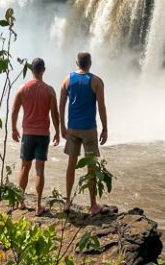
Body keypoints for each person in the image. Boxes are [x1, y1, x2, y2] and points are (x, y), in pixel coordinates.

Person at [59, 51, 113, 216]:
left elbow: (61, 106)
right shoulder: (96, 81)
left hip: (72, 128)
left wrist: (62, 126)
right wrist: (105, 128)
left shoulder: (67, 80)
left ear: (77, 62)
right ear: (90, 63)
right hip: (89, 129)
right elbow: (101, 107)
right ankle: (93, 205)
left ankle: (67, 201)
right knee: (91, 167)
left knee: (71, 164)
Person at [11, 57, 60, 216]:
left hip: (28, 134)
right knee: (39, 170)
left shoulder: (22, 89)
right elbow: (55, 114)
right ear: (43, 70)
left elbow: (14, 111)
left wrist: (13, 129)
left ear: (31, 70)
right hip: (43, 135)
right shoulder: (49, 90)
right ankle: (39, 206)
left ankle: (21, 202)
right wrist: (58, 132)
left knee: (24, 167)